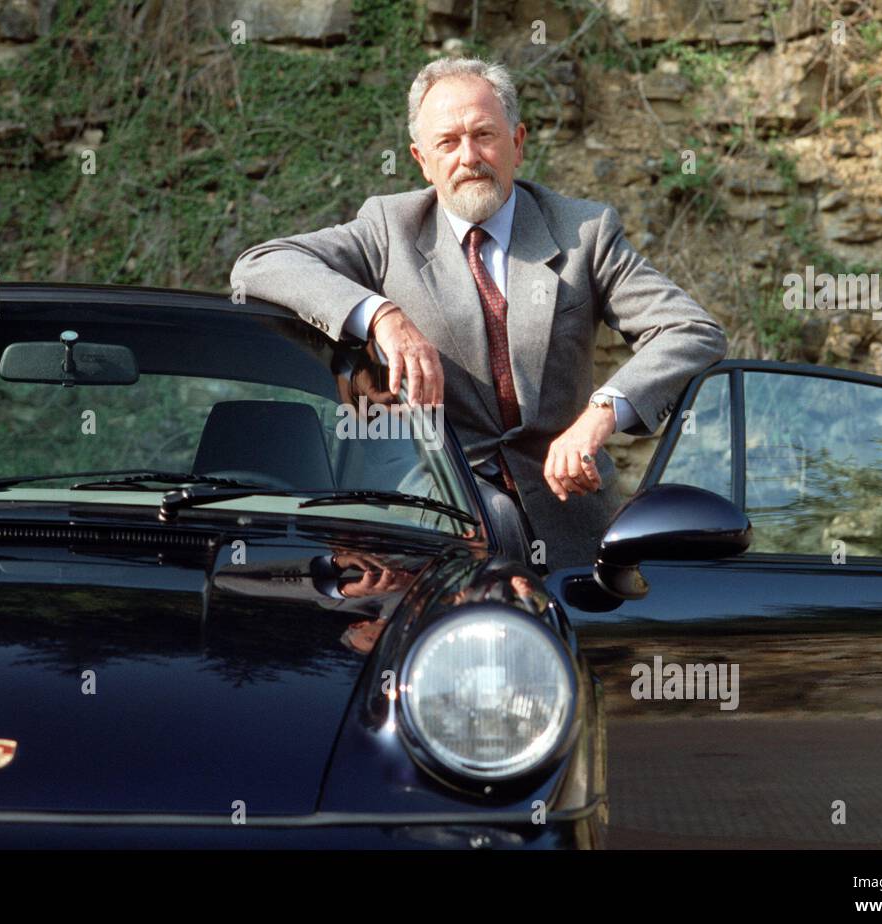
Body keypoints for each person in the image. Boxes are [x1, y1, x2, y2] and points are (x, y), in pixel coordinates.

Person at [230, 56, 727, 571]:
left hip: (572, 532)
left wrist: (598, 417)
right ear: (422, 160)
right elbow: (260, 265)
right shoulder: (388, 228)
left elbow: (690, 329)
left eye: (484, 135)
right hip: (433, 521)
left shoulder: (585, 232)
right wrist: (382, 316)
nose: (469, 157)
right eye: (448, 142)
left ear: (517, 142)